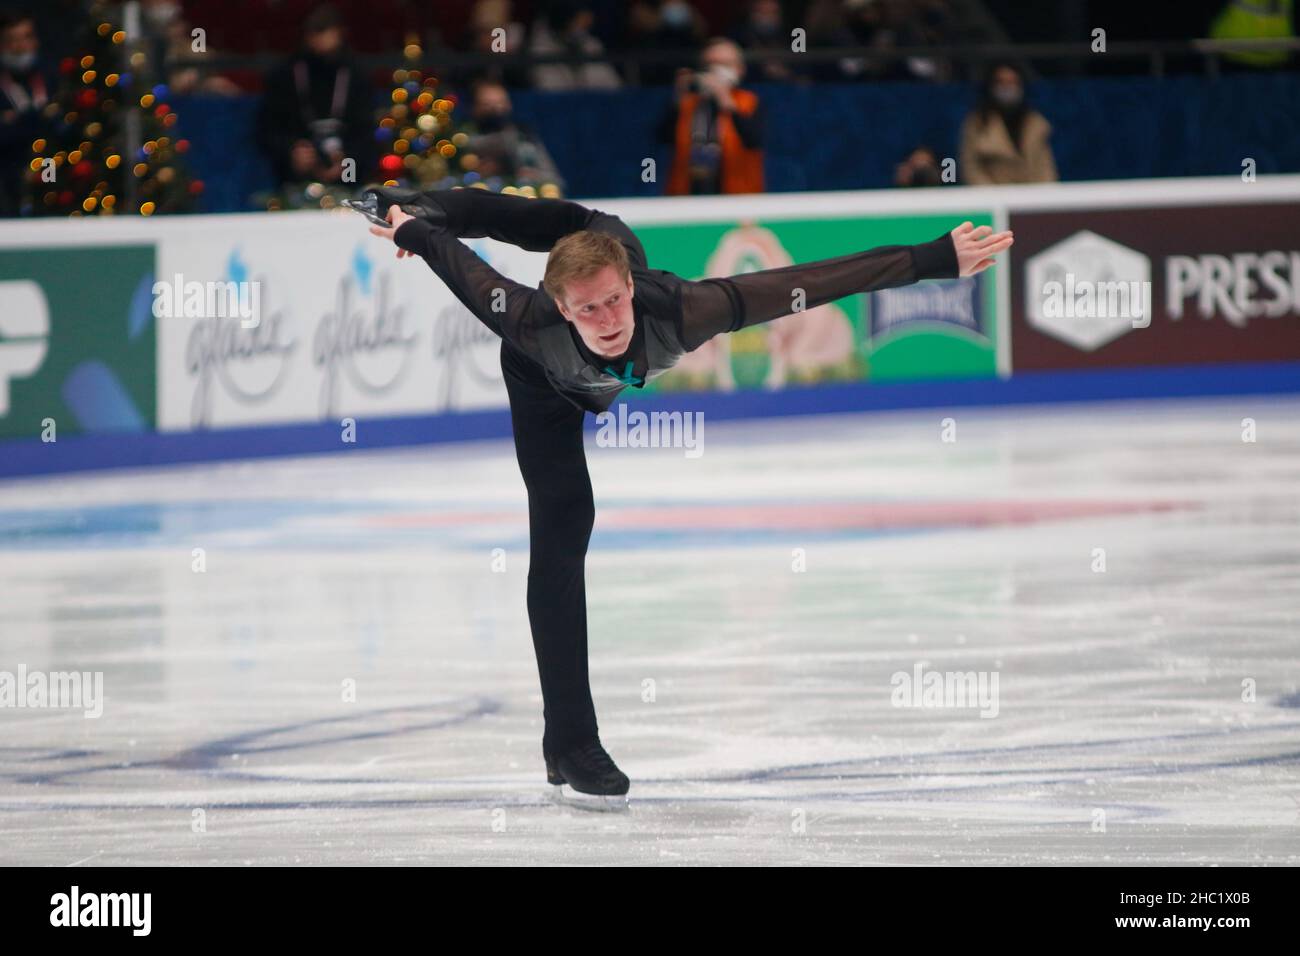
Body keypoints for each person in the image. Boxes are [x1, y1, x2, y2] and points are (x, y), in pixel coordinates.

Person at [360, 185, 1013, 807]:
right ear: (560, 307)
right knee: (562, 529)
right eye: (586, 309)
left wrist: (934, 258)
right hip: (543, 386)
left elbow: (808, 283)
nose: (607, 320)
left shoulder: (683, 308)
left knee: (580, 222)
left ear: (626, 288)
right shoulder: (527, 321)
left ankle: (438, 206)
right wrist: (417, 229)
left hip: (601, 241)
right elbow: (456, 262)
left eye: (613, 302)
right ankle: (570, 742)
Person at [657, 37, 765, 196]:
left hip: (736, 192)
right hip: (689, 190)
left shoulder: (748, 102)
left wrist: (725, 100)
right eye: (710, 65)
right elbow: (662, 138)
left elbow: (754, 141)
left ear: (740, 69)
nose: (716, 71)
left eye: (724, 64)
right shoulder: (687, 103)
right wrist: (678, 98)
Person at [959, 62, 1058, 185]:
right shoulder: (977, 123)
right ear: (991, 86)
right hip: (994, 197)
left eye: (1012, 82)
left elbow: (1045, 167)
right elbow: (971, 168)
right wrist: (993, 198)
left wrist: (1042, 197)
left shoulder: (1035, 122)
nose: (1007, 87)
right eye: (1001, 82)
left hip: (1033, 197)